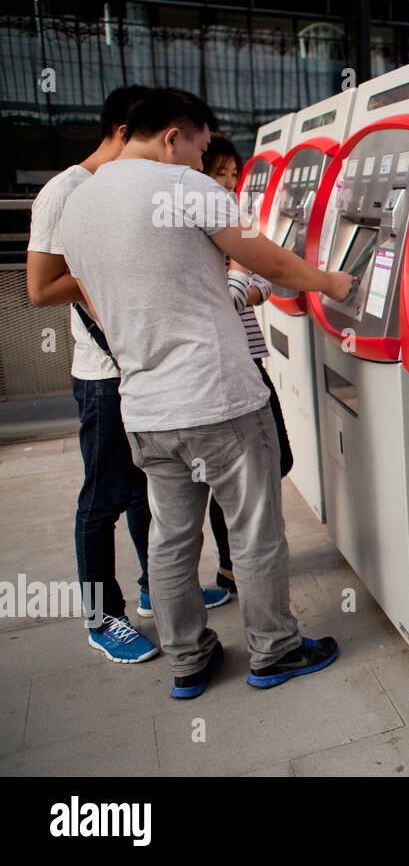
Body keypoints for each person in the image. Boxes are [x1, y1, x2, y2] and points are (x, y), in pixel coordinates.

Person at [60, 87, 356, 699]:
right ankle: (274, 651)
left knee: (171, 539)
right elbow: (267, 261)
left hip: (143, 403)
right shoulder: (184, 186)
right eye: (199, 147)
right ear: (175, 135)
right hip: (218, 398)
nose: (202, 162)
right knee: (254, 530)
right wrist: (330, 281)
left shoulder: (80, 205)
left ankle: (189, 660)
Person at [25, 86, 230, 664]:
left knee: (148, 487)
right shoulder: (67, 192)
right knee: (103, 495)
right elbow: (40, 287)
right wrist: (115, 267)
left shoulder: (119, 189)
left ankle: (152, 590)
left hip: (144, 361)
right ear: (125, 130)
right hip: (103, 373)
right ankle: (100, 616)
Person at [200, 135, 295, 594]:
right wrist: (245, 279)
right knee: (243, 475)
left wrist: (248, 282)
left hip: (249, 358)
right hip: (230, 368)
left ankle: (234, 564)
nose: (229, 184)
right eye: (220, 174)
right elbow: (237, 293)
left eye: (235, 175)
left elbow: (263, 283)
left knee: (273, 461)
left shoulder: (231, 227)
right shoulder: (204, 232)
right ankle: (238, 566)